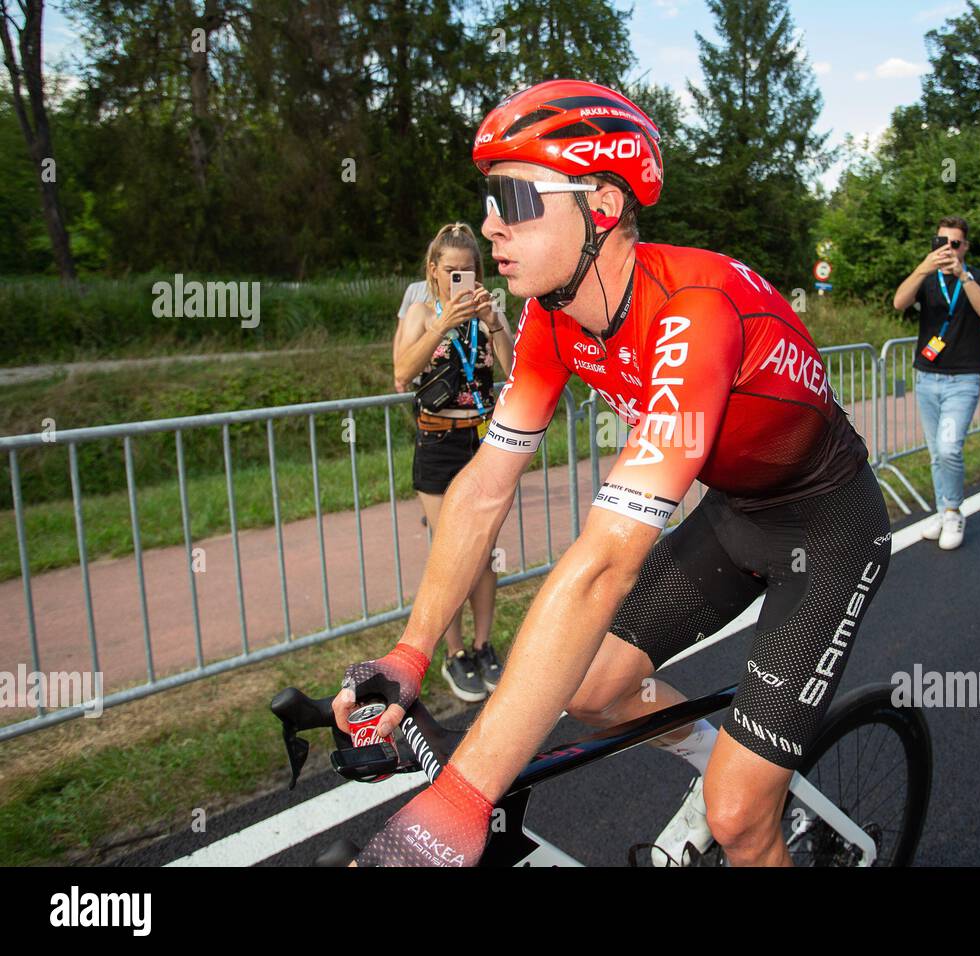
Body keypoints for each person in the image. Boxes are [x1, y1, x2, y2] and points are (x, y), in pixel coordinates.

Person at [334, 79, 893, 868]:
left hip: (828, 526)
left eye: (513, 198)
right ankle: (726, 771)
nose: (490, 225)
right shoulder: (550, 319)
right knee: (594, 692)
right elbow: (485, 488)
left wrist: (460, 800)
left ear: (598, 204)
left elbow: (602, 567)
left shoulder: (697, 309)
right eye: (489, 199)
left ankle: (744, 807)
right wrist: (411, 653)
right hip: (735, 514)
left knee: (738, 821)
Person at [392, 223, 515, 701]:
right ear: (433, 271)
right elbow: (402, 372)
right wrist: (442, 325)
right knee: (449, 555)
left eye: (468, 271)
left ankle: (484, 647)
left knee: (483, 552)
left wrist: (493, 322)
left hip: (481, 441)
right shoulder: (422, 312)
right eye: (451, 271)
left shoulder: (487, 312)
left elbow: (513, 369)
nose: (459, 279)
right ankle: (453, 654)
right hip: (439, 443)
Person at [892, 216, 980, 549]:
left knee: (950, 448)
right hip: (927, 377)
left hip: (963, 379)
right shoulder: (927, 276)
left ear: (964, 246)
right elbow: (899, 302)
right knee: (937, 452)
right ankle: (942, 510)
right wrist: (923, 268)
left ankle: (953, 511)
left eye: (954, 243)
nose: (947, 249)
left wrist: (963, 275)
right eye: (941, 242)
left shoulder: (979, 277)